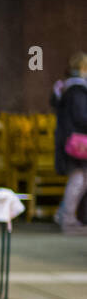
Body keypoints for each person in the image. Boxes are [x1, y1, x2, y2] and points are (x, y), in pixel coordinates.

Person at [51, 52, 87, 234]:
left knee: (79, 179)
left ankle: (63, 214)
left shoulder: (66, 88)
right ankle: (67, 219)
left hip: (69, 139)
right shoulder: (77, 90)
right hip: (77, 142)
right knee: (78, 179)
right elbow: (81, 117)